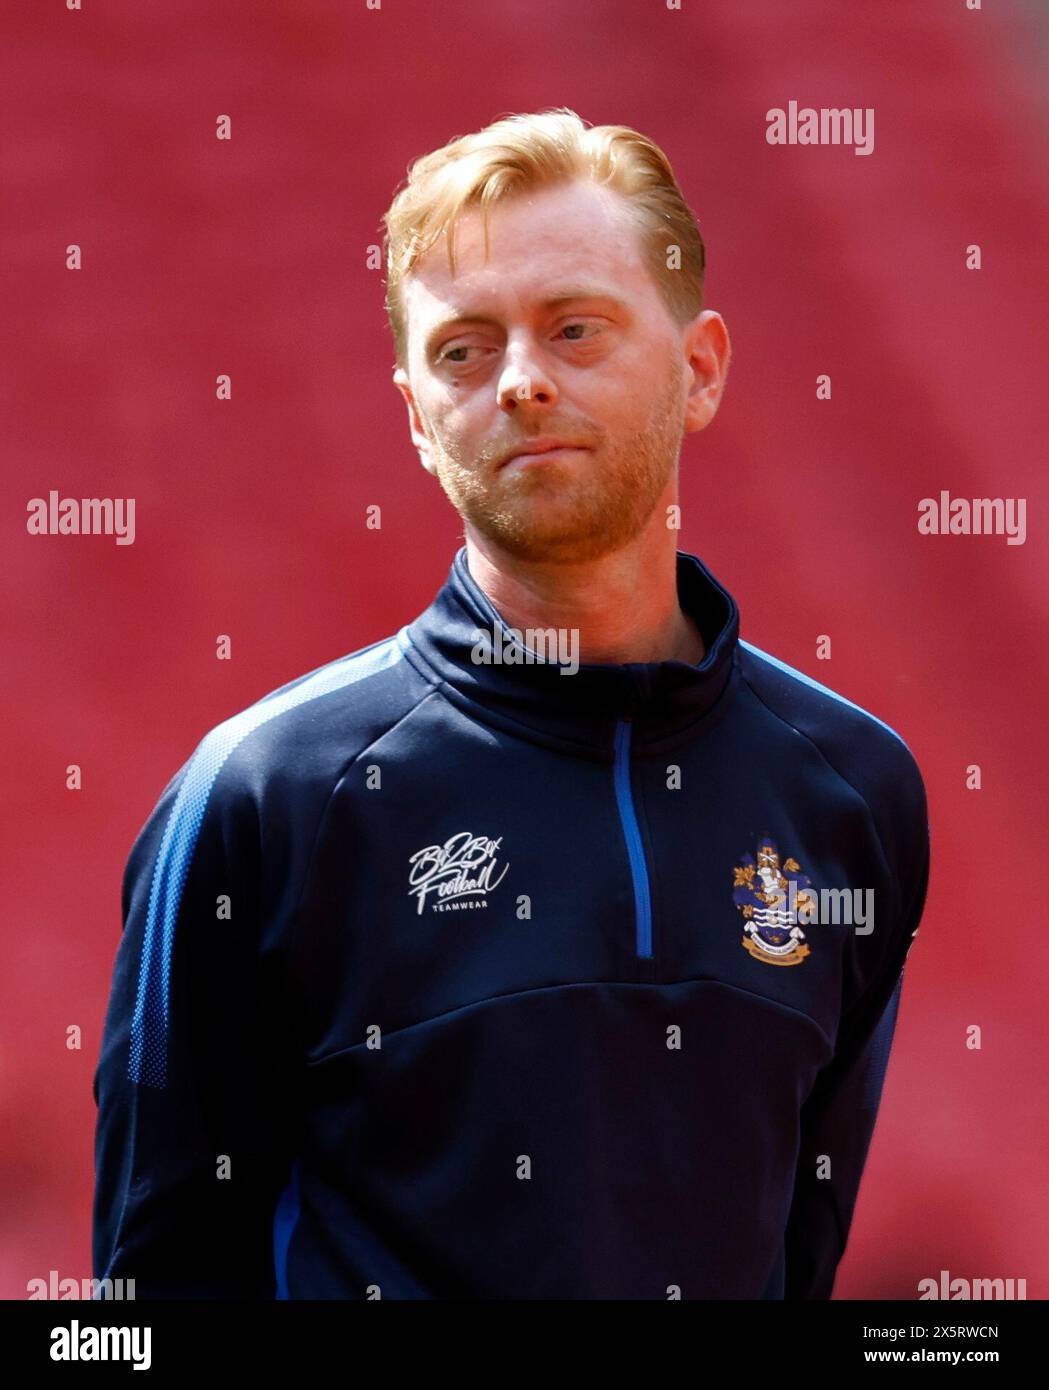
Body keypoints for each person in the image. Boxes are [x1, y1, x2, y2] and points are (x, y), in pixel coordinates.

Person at [92, 107, 930, 1300]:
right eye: (463, 350)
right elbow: (149, 1295)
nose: (523, 382)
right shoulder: (267, 797)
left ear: (699, 369)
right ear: (415, 418)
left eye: (575, 328)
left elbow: (797, 1251)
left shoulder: (852, 792)